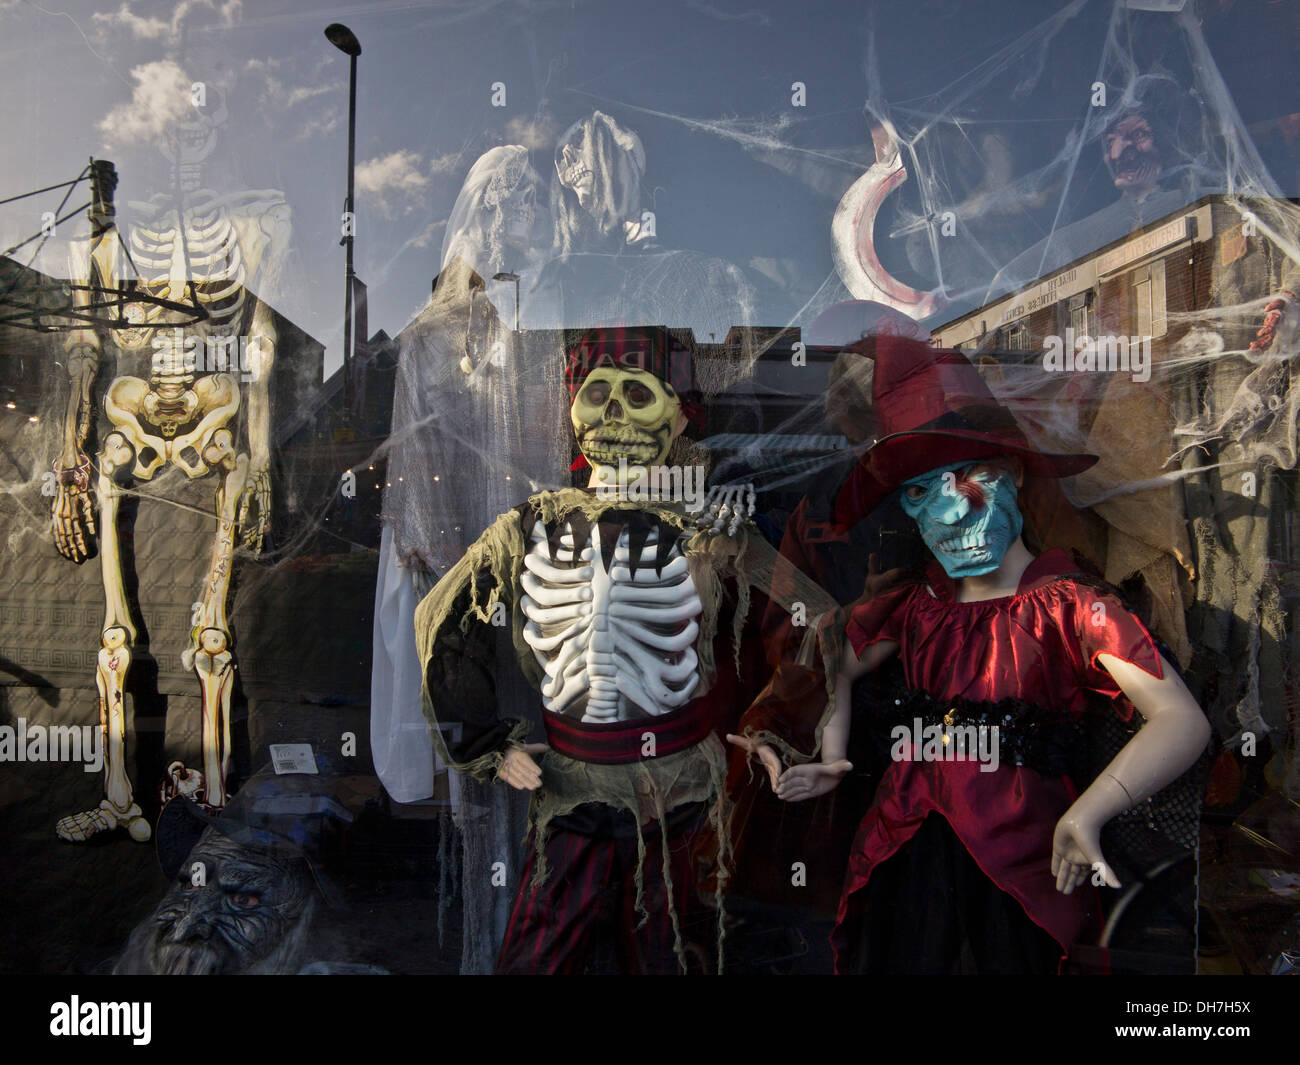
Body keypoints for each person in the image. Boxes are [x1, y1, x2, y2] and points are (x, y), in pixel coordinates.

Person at [766, 336, 1210, 974]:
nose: (952, 505)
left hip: (1028, 856)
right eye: (921, 493)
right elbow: (833, 653)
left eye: (971, 475)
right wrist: (834, 756)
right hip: (907, 846)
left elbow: (1181, 719)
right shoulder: (916, 607)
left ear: (1016, 472)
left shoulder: (1071, 608)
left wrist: (1094, 807)